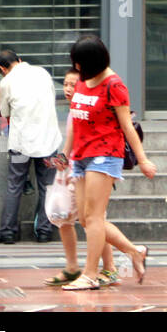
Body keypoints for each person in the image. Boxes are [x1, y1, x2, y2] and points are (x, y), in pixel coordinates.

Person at [56, 35, 155, 290]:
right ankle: (134, 251)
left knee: (95, 216)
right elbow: (75, 122)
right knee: (86, 220)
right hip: (80, 155)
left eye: (79, 63)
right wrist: (65, 154)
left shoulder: (114, 86)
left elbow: (127, 127)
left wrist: (143, 159)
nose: (76, 68)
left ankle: (90, 274)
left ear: (92, 61)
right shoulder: (82, 81)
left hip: (105, 155)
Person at [44, 69, 121, 288]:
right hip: (75, 169)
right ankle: (73, 268)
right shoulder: (75, 108)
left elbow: (75, 140)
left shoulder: (89, 106)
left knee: (93, 220)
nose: (68, 89)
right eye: (66, 84)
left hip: (89, 169)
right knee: (68, 220)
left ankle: (116, 263)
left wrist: (64, 161)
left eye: (72, 85)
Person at [0, 50, 62, 244]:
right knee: (47, 186)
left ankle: (7, 232)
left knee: (15, 185)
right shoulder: (43, 73)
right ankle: (45, 231)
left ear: (2, 69)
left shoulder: (7, 81)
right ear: (19, 59)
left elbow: (4, 111)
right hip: (49, 141)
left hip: (20, 143)